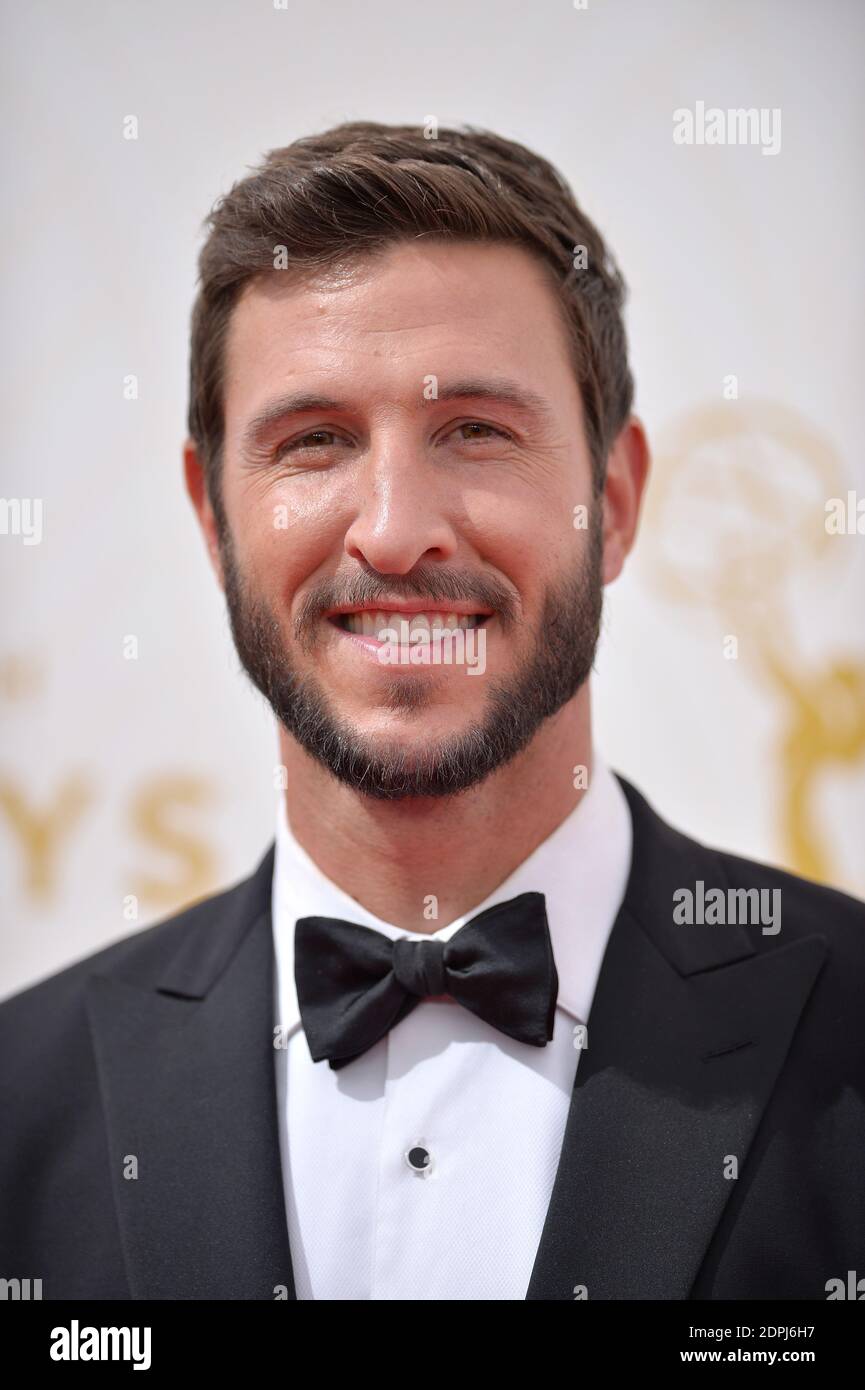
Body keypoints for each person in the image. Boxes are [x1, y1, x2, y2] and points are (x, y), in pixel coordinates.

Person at [1, 122, 863, 1302]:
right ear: (213, 521)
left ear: (610, 500)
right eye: (314, 443)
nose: (396, 530)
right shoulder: (21, 1100)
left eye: (475, 431)